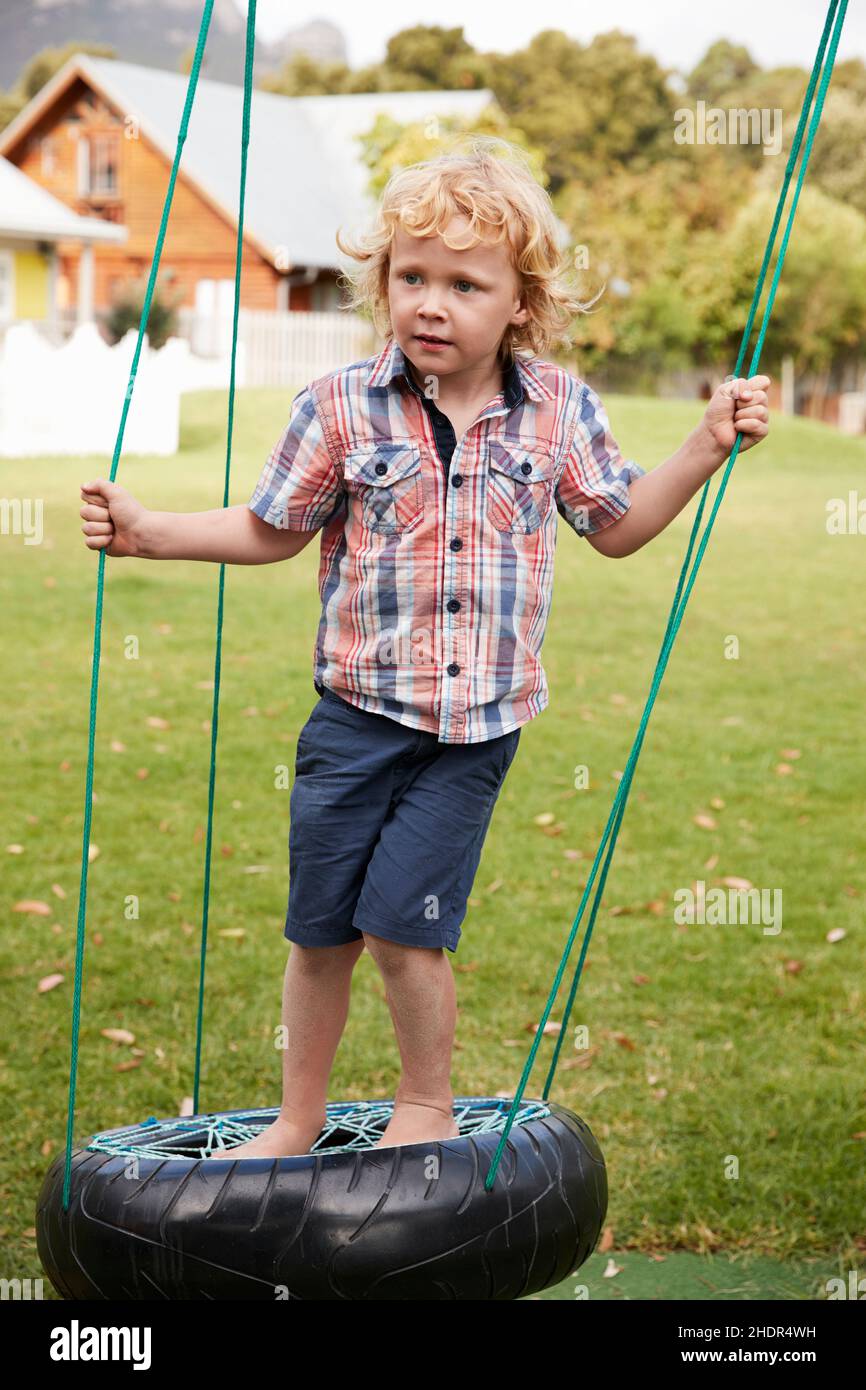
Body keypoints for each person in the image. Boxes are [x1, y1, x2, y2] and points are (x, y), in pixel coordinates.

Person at [79, 139, 770, 1157]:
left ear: (518, 304)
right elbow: (274, 526)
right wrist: (151, 531)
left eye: (462, 283)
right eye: (411, 277)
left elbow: (616, 524)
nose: (430, 304)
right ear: (383, 286)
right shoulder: (338, 406)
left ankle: (423, 1109)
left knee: (407, 927)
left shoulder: (558, 411)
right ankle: (298, 1118)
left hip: (471, 735)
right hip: (352, 721)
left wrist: (704, 446)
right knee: (321, 932)